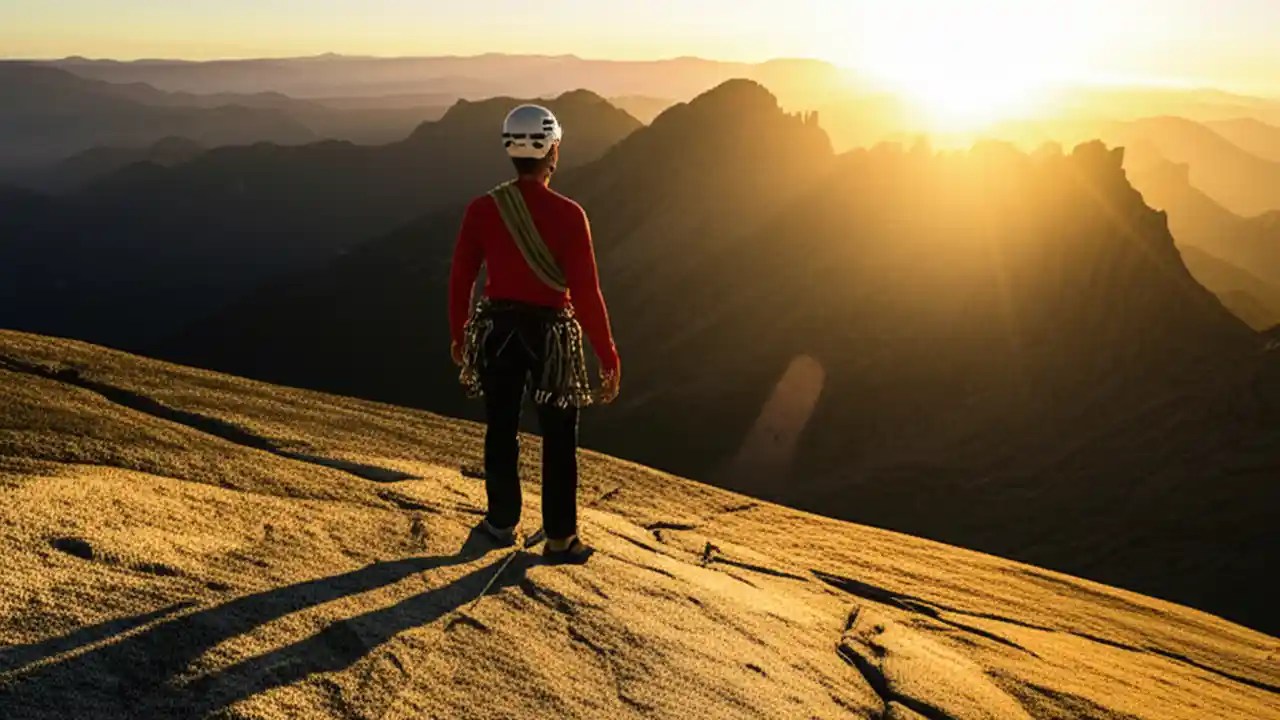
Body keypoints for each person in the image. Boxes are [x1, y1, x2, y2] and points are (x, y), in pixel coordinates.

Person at [448, 104, 620, 565]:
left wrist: (459, 334)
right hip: (552, 337)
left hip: (498, 331)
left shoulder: (483, 209)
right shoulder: (570, 215)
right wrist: (607, 354)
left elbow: (462, 276)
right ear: (553, 151)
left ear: (511, 150)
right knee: (559, 436)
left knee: (501, 427)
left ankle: (500, 522)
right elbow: (586, 293)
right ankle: (561, 538)